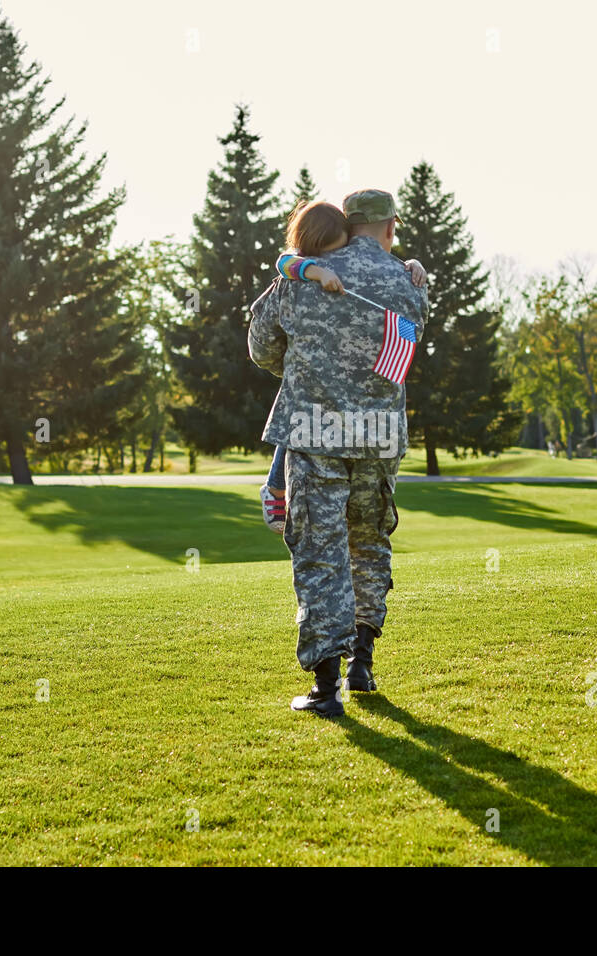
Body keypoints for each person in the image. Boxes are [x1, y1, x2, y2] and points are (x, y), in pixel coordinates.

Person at [248, 189, 428, 716]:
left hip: (314, 430)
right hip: (379, 435)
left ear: (345, 225)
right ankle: (363, 662)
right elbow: (412, 341)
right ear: (390, 228)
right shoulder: (410, 281)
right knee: (368, 542)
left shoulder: (303, 274)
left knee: (321, 551)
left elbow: (261, 348)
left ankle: (327, 687)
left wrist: (306, 363)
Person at [256, 200, 425, 534]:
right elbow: (285, 261)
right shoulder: (301, 267)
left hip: (320, 409)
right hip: (360, 421)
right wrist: (316, 270)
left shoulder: (320, 269)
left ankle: (276, 486)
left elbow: (262, 350)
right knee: (366, 541)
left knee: (296, 403)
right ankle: (274, 487)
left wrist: (413, 263)